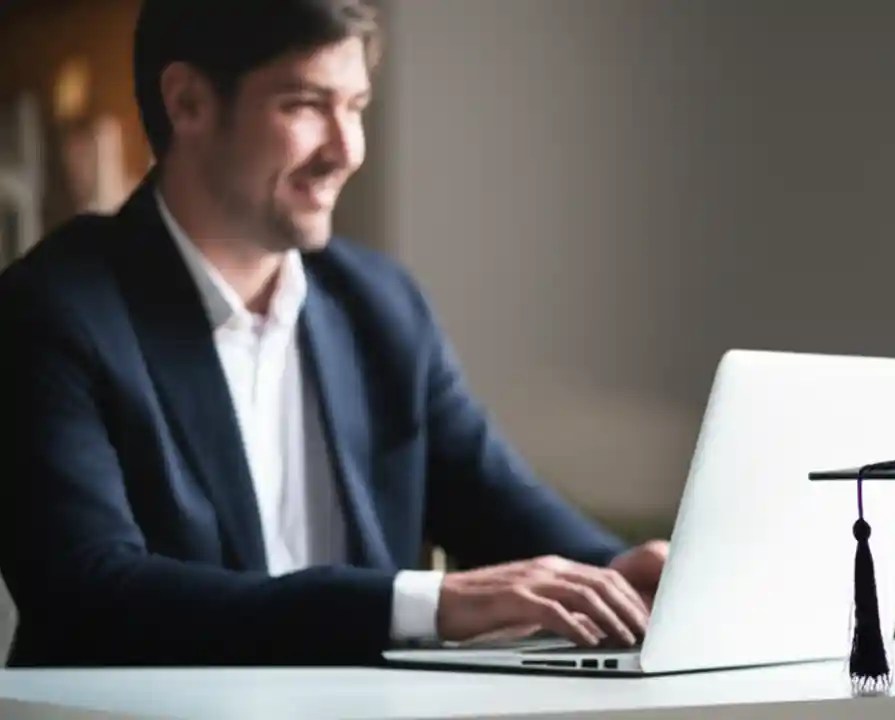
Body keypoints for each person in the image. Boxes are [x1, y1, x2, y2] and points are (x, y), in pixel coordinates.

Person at [0, 0, 668, 667]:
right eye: (306, 105)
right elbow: (90, 595)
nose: (346, 150)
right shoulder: (53, 310)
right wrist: (426, 604)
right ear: (189, 102)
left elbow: (496, 504)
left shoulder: (379, 304)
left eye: (355, 106)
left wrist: (620, 571)